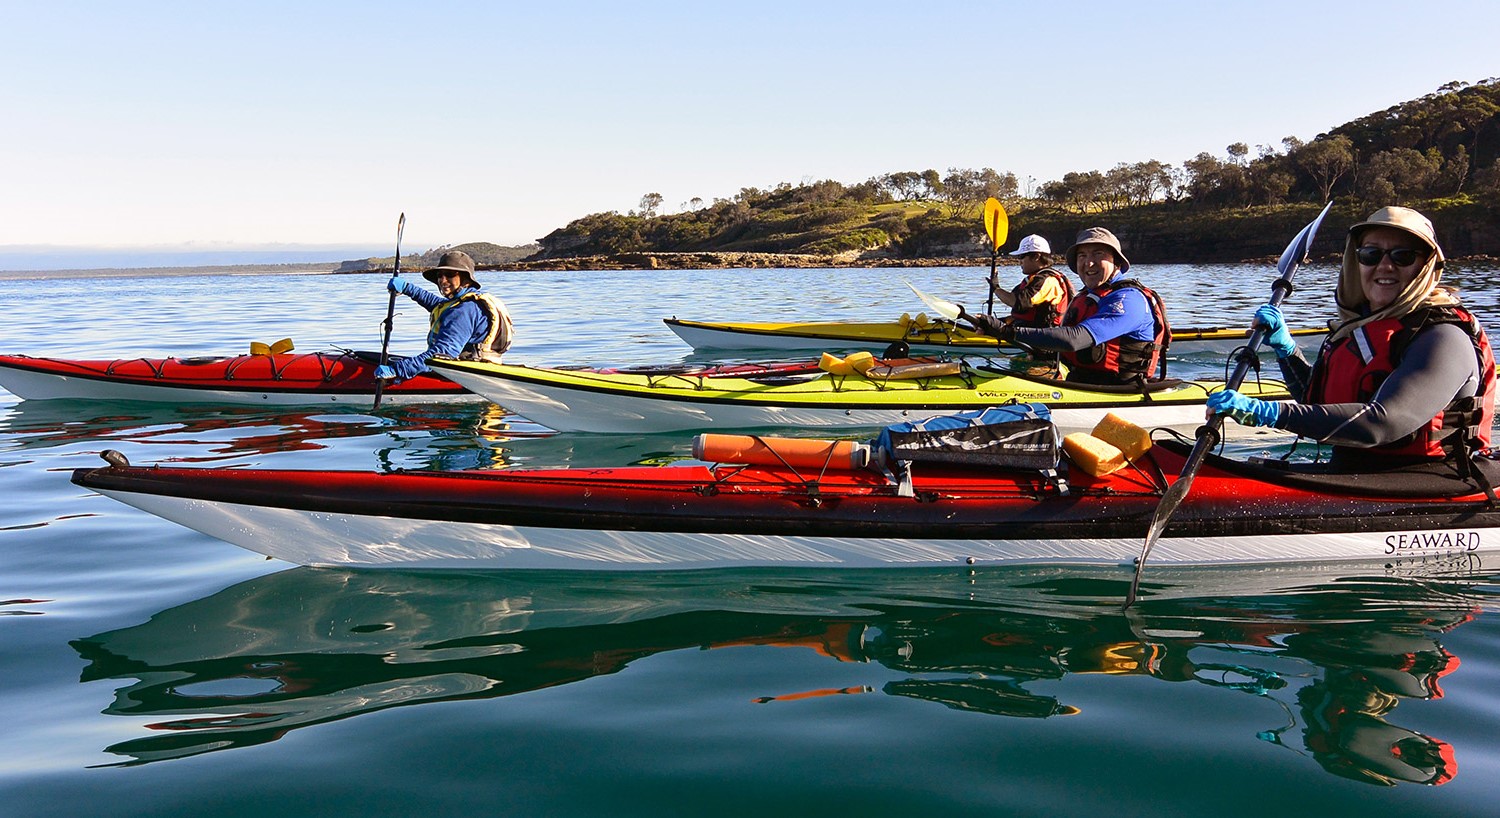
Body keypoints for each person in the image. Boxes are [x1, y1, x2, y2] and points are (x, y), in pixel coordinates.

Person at [1207, 206, 1496, 470]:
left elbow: (1382, 422)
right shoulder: (1361, 327)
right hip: (1356, 472)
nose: (1385, 266)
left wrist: (1268, 412)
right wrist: (1287, 351)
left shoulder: (1444, 336)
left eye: (1402, 256)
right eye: (1371, 254)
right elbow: (1318, 402)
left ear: (1426, 266)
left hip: (1429, 479)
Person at [959, 227, 1170, 387]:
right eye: (1082, 256)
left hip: (1119, 389)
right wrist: (994, 327)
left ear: (1116, 261)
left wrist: (1006, 331)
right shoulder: (1088, 296)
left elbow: (1073, 339)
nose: (1088, 263)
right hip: (1080, 382)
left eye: (1098, 254)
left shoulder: (1129, 299)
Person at [375, 249, 515, 382]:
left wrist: (398, 370)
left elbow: (443, 354)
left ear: (465, 279)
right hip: (480, 368)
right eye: (440, 275)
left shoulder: (464, 311)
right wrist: (407, 288)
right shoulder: (464, 302)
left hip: (470, 378)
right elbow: (437, 305)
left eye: (449, 274)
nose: (443, 280)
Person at [989, 234, 1074, 328]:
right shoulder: (1034, 279)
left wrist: (995, 288)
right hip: (1028, 329)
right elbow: (1014, 301)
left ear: (1036, 257)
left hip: (1043, 334)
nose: (1020, 261)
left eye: (1022, 256)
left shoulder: (1048, 281)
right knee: (984, 323)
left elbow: (1017, 302)